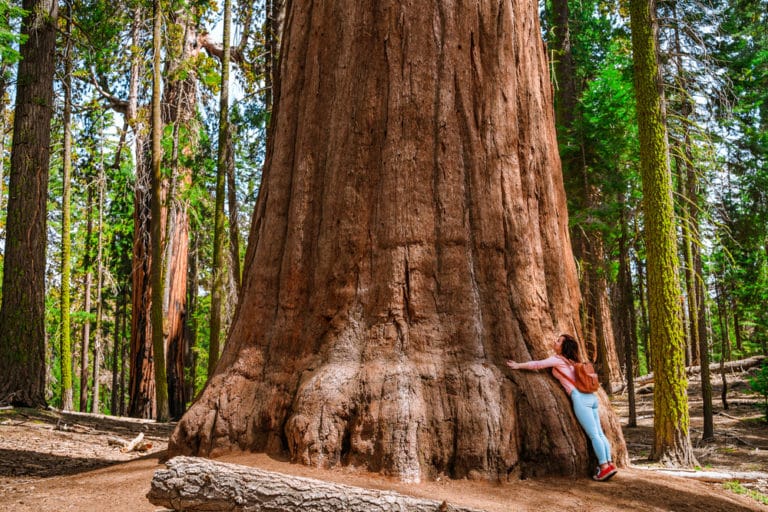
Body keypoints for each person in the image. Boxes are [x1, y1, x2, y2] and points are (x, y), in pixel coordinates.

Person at [506, 333, 617, 481]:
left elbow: (537, 365)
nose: (555, 342)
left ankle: (603, 467)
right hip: (591, 397)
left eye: (558, 341)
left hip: (580, 398)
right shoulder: (574, 361)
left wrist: (518, 365)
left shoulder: (557, 360)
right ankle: (609, 463)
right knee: (600, 434)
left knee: (594, 435)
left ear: (563, 347)